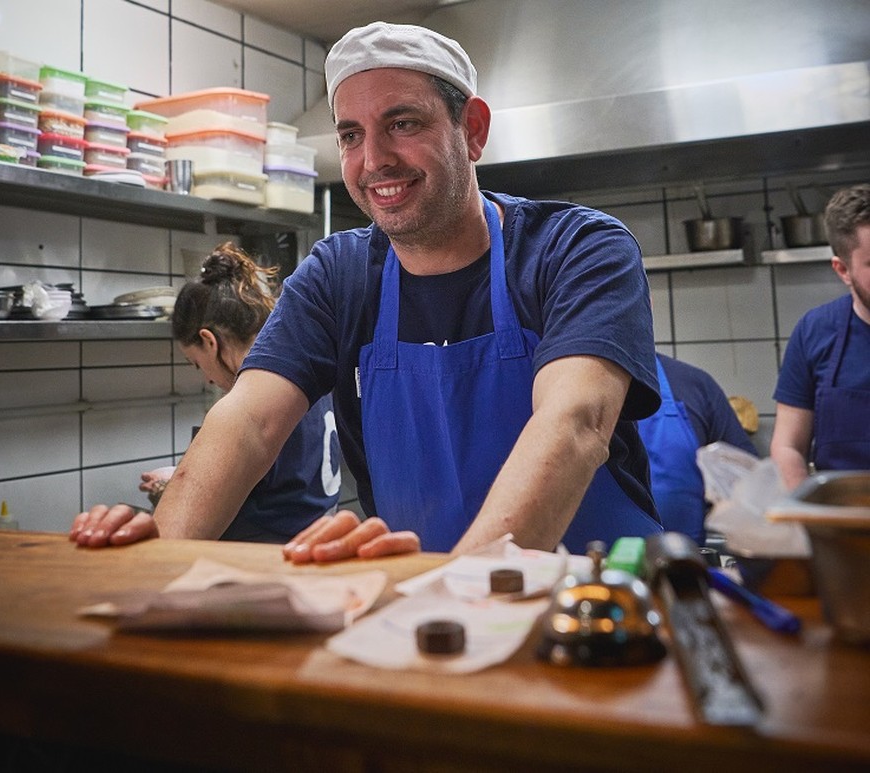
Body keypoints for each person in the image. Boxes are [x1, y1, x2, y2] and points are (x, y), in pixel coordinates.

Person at [71, 21, 662, 560]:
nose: (373, 159)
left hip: (596, 608)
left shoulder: (575, 250)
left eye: (402, 123)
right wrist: (153, 560)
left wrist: (465, 593)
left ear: (472, 130)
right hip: (414, 616)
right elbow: (249, 422)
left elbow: (575, 423)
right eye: (351, 135)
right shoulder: (340, 274)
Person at [72, 242, 341, 545]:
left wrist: (166, 490)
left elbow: (239, 490)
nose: (206, 379)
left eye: (196, 363)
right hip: (311, 544)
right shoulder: (303, 383)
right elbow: (274, 483)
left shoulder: (259, 404)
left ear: (209, 342)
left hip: (260, 561)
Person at [770, 183, 870, 490]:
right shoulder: (815, 331)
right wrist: (809, 520)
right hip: (845, 529)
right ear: (843, 270)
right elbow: (787, 446)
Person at [638, 352, 757, 544]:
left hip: (686, 567)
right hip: (584, 567)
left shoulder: (694, 385)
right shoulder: (572, 386)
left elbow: (748, 482)